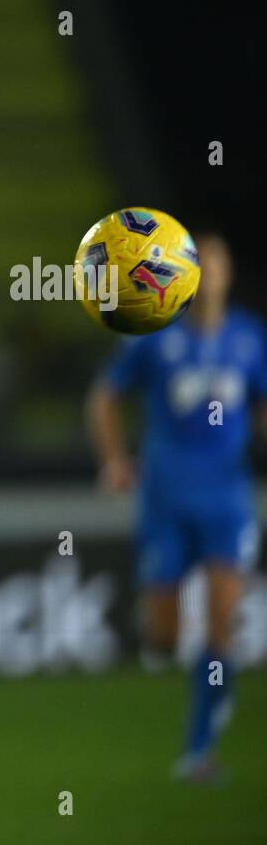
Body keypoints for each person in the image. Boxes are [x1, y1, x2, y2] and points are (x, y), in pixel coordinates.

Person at [86, 230, 260, 782]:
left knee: (219, 624)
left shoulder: (251, 339)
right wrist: (115, 458)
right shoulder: (153, 334)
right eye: (199, 261)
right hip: (165, 497)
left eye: (217, 259)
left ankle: (200, 750)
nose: (209, 270)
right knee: (161, 639)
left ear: (230, 272)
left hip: (227, 498)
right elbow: (105, 396)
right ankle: (188, 664)